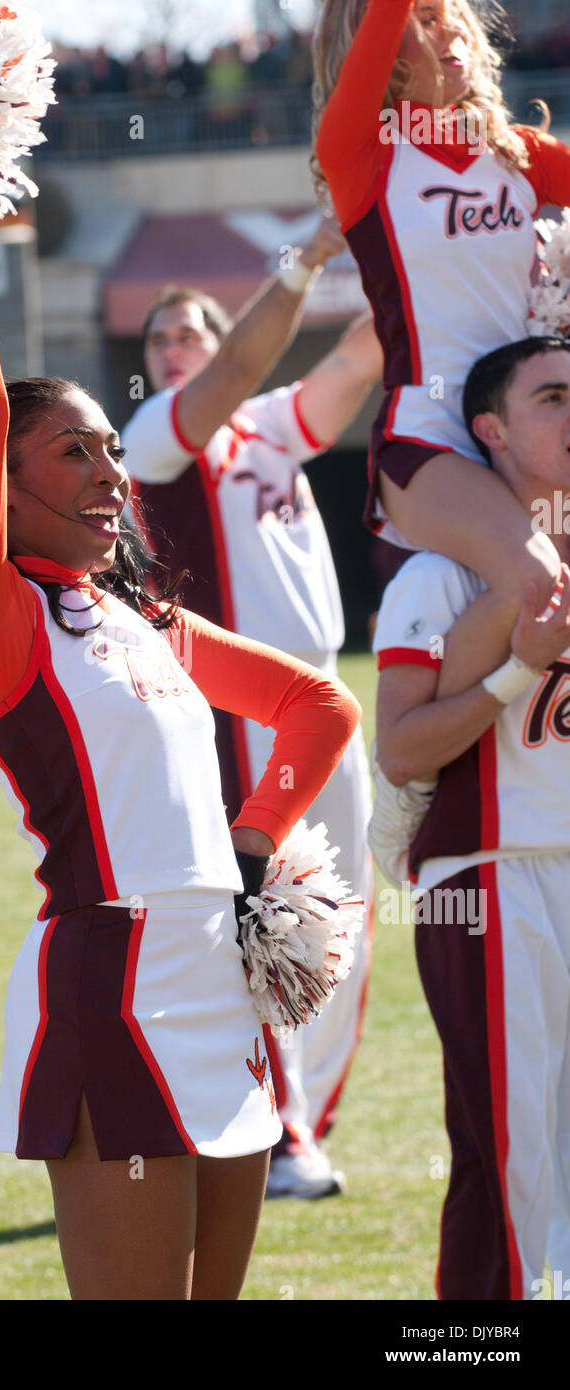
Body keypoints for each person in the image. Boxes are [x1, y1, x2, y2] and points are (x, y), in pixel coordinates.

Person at [0, 228, 361, 1300]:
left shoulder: (145, 622)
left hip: (222, 981)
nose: (110, 469)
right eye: (73, 450)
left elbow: (320, 704)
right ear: (2, 484)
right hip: (111, 982)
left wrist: (252, 842)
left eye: (113, 446)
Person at [121, 223, 382, 1198]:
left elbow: (364, 351)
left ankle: (296, 1124)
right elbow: (235, 368)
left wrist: (420, 251)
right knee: (262, 914)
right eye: (156, 338)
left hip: (321, 692)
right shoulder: (151, 435)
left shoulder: (271, 422)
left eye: (187, 329)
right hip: (234, 701)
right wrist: (304, 257)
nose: (171, 346)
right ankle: (276, 1135)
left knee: (342, 924)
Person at [371, 335, 570, 1299]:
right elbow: (401, 749)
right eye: (553, 398)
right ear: (487, 429)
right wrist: (515, 667)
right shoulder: (432, 576)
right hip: (489, 881)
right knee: (505, 1149)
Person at [312, 0, 570, 682]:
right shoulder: (359, 154)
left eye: (450, 13)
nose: (448, 28)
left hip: (535, 430)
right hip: (429, 438)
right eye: (422, 19)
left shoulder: (520, 154)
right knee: (537, 577)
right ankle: (415, 758)